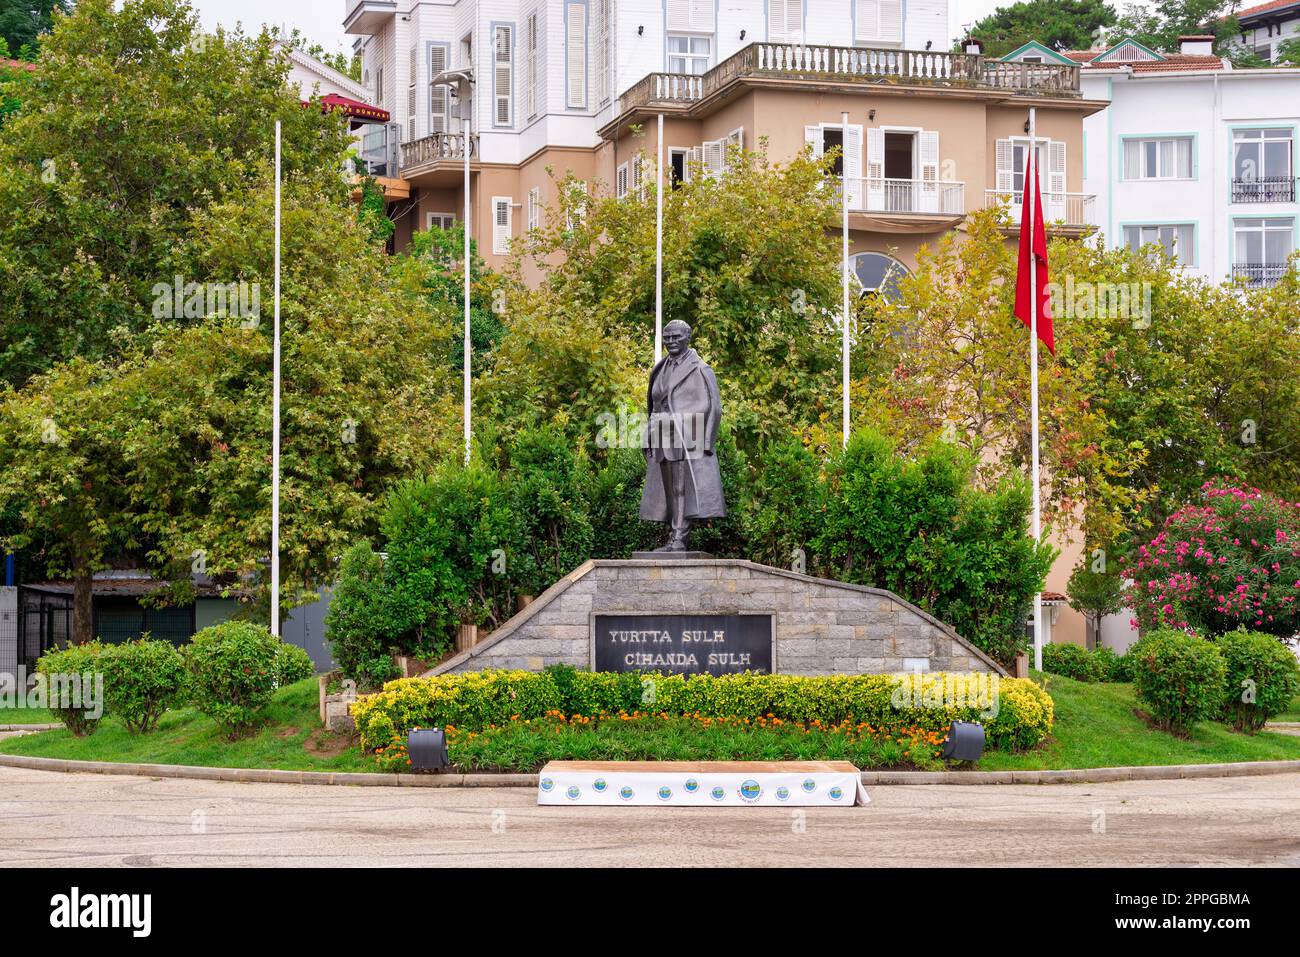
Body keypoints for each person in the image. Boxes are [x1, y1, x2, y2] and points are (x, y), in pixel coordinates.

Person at [639, 320, 726, 551]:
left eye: (676, 337)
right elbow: (654, 405)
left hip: (687, 435)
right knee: (669, 490)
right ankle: (674, 536)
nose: (671, 342)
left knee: (681, 489)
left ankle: (679, 539)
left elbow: (714, 406)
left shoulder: (700, 368)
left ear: (688, 337)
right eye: (667, 338)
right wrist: (648, 435)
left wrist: (706, 442)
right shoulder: (659, 369)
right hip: (662, 435)